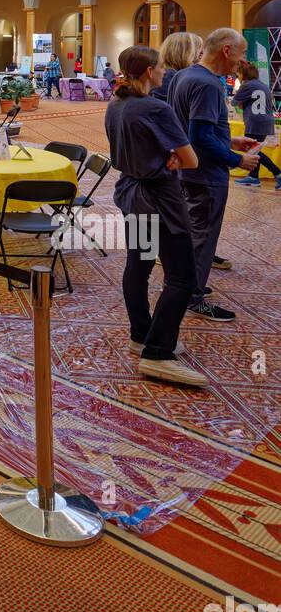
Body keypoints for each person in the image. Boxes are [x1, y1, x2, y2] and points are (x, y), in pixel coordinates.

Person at [105, 45, 205, 387]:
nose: (164, 71)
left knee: (140, 265)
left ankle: (141, 333)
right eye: (160, 67)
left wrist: (168, 155)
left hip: (132, 195)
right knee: (182, 278)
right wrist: (173, 157)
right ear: (149, 71)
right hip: (160, 201)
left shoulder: (116, 104)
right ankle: (158, 353)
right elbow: (190, 159)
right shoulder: (155, 107)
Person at [168, 28, 259, 321]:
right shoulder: (208, 84)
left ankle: (185, 286)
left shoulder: (184, 75)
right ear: (227, 50)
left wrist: (229, 140)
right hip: (205, 176)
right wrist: (237, 158)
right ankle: (192, 295)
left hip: (186, 171)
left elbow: (185, 127)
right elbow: (199, 136)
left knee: (192, 233)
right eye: (241, 54)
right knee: (203, 238)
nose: (241, 62)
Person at [234, 59, 281, 190]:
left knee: (253, 150)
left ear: (243, 74)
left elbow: (234, 103)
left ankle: (277, 173)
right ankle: (254, 177)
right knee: (255, 150)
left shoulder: (246, 85)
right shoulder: (263, 85)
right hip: (266, 121)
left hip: (254, 121)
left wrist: (241, 101)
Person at [152, 31, 203, 104]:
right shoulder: (167, 77)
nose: (201, 55)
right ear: (185, 52)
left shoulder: (179, 74)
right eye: (199, 51)